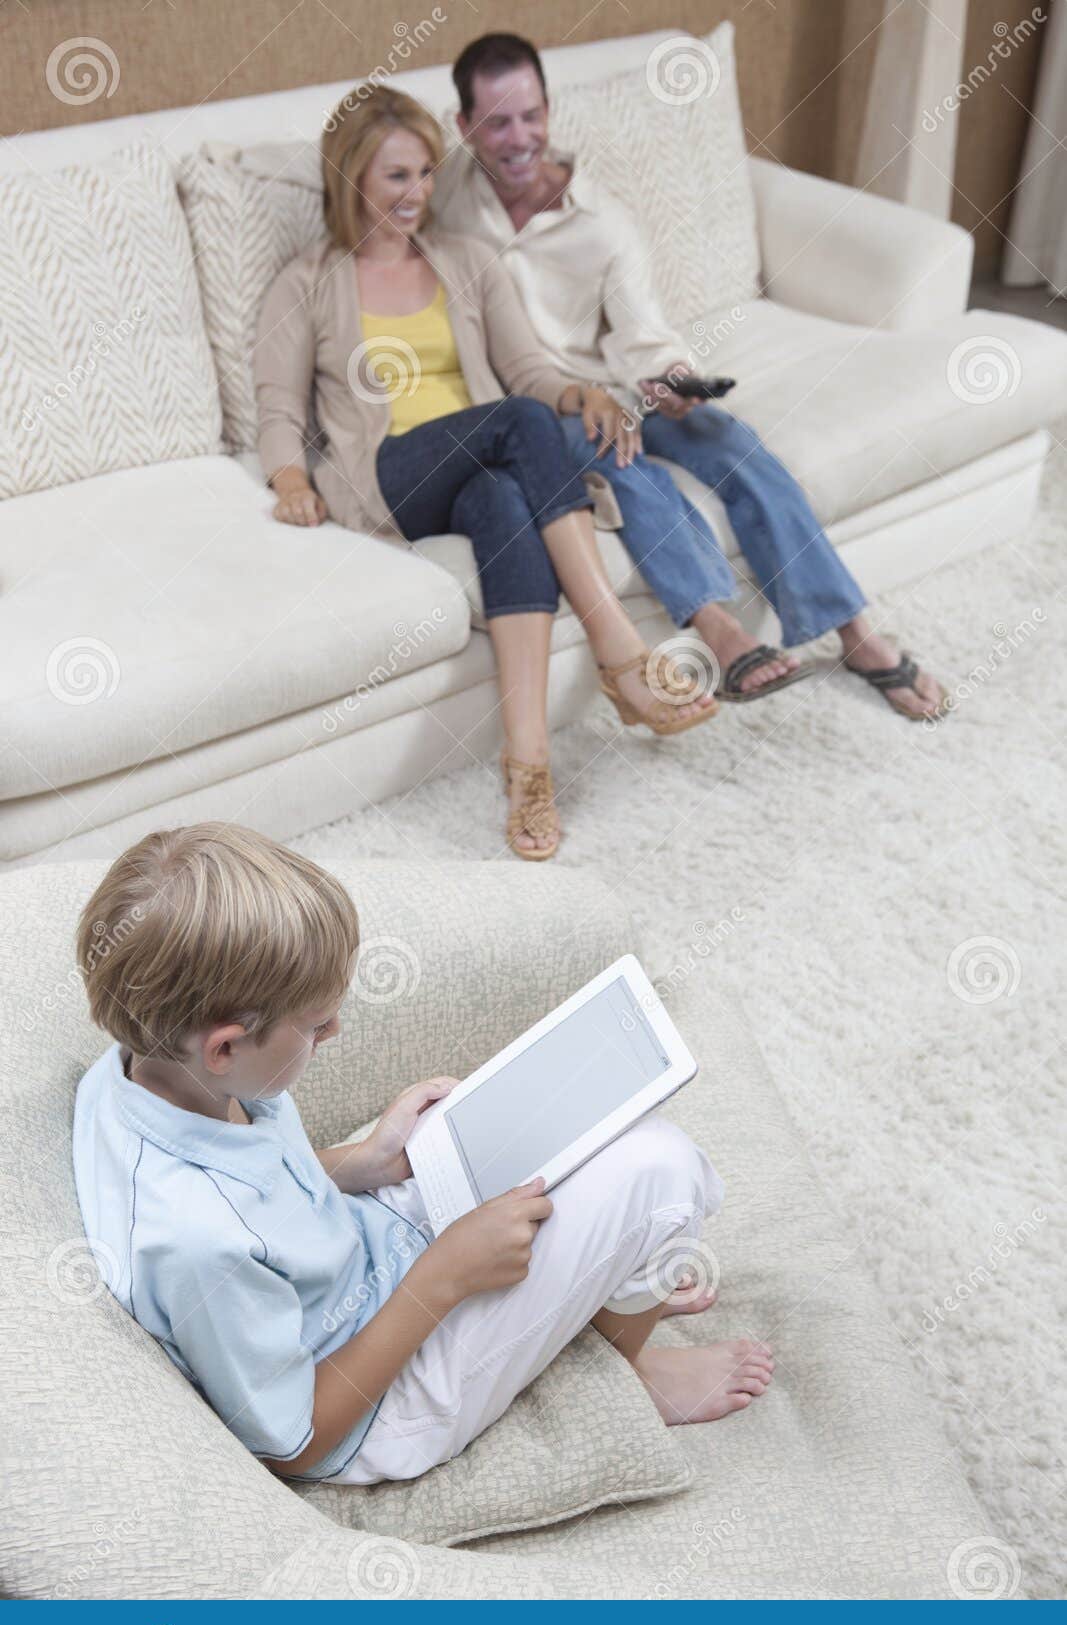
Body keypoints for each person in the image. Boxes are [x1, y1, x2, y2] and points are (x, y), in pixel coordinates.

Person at [71, 823, 774, 1485]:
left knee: (565, 1129)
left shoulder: (147, 1071)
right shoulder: (192, 1242)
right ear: (225, 1047)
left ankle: (600, 1282)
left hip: (371, 1250)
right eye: (317, 1025)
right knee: (660, 1170)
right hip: (377, 1407)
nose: (337, 1030)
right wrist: (442, 1278)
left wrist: (363, 1161)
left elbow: (255, 1195)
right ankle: (634, 1367)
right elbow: (293, 1443)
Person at [254, 85, 719, 864]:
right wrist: (289, 481)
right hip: (387, 475)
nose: (418, 195)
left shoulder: (467, 262)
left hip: (478, 460)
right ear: (351, 180)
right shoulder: (305, 281)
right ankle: (621, 652)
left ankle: (527, 770)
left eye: (428, 174)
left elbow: (525, 370)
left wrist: (584, 394)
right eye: (396, 176)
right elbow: (275, 405)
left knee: (505, 491)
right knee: (519, 424)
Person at [433, 32, 949, 720]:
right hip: (540, 408)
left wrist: (670, 381)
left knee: (728, 439)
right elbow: (363, 197)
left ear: (549, 113)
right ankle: (721, 632)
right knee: (621, 462)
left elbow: (642, 332)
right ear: (464, 126)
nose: (518, 137)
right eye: (496, 122)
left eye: (531, 115)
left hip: (619, 382)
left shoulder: (603, 221)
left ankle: (852, 630)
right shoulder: (444, 205)